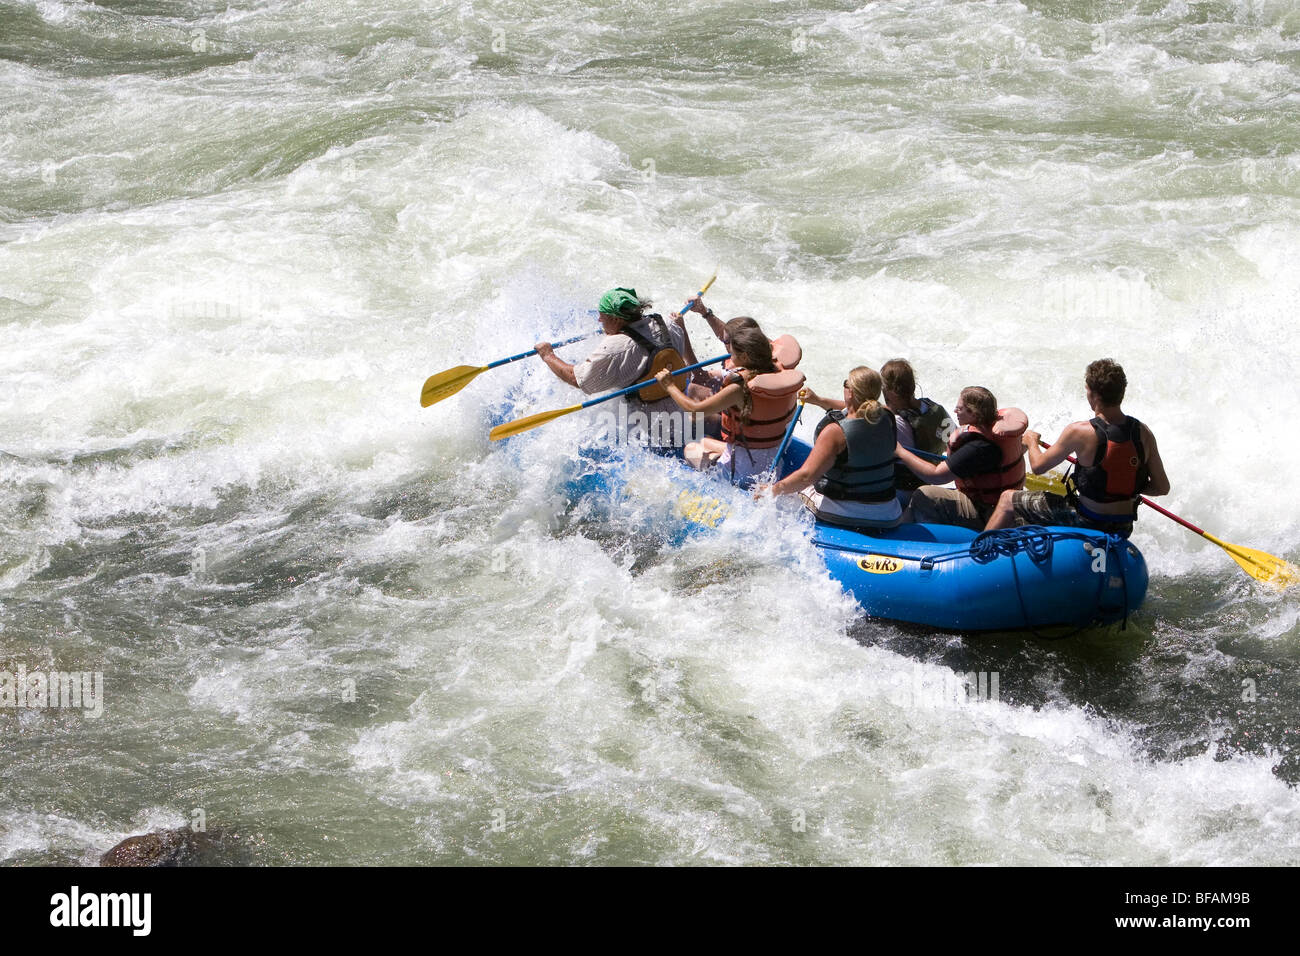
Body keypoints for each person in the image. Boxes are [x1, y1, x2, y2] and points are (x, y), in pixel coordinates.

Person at [984, 359, 1170, 536]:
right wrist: (1125, 482)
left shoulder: (1079, 431)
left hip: (1086, 519)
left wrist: (1031, 442)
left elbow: (1039, 467)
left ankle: (977, 554)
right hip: (1123, 525)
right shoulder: (1143, 432)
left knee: (1008, 499)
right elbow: (1162, 487)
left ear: (1094, 395)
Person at [534, 286, 694, 447]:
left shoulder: (615, 349)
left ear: (616, 319)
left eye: (602, 317)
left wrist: (548, 355)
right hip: (683, 415)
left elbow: (576, 379)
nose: (599, 321)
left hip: (654, 434)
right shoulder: (669, 325)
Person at [654, 323, 804, 485]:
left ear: (745, 357)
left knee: (690, 449)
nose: (730, 358)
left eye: (732, 353)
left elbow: (695, 411)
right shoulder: (782, 376)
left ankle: (715, 482)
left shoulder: (740, 388)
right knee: (704, 442)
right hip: (773, 465)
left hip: (743, 473)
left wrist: (669, 386)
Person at [757, 366, 902, 529]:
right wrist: (819, 401)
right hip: (888, 512)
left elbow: (806, 477)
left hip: (849, 513)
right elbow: (858, 409)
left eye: (846, 383)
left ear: (851, 392)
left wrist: (772, 490)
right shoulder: (887, 416)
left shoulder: (835, 432)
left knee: (791, 494)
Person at [804, 358, 952, 498]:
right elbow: (953, 439)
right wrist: (819, 401)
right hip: (924, 482)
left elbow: (858, 413)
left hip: (900, 490)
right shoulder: (934, 408)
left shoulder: (892, 422)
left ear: (889, 390)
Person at [894, 387, 1027, 530]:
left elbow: (935, 476)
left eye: (959, 408)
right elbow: (1022, 447)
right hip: (1000, 503)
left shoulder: (979, 447)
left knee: (924, 494)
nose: (955, 411)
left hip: (988, 512)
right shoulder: (1000, 434)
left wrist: (900, 451)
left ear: (973, 413)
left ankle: (898, 535)